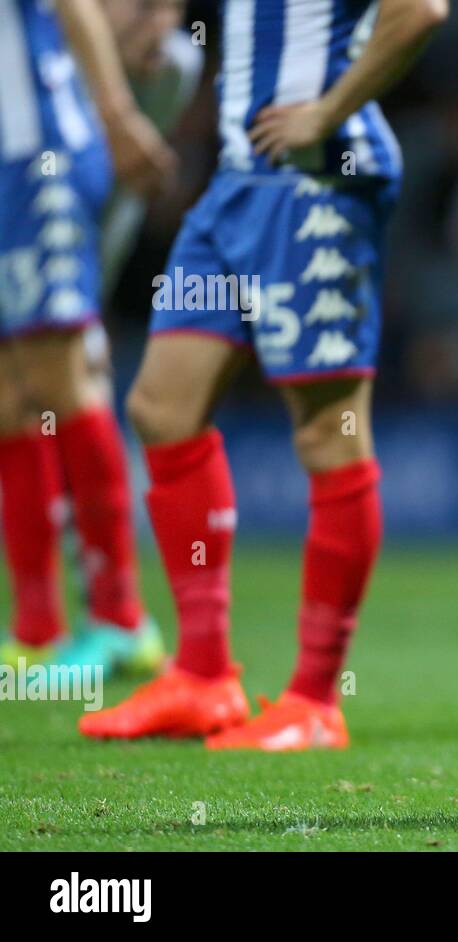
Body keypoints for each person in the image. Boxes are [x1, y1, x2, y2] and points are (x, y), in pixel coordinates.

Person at [79, 0, 451, 750]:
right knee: (161, 407)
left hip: (320, 180)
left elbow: (422, 11)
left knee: (328, 429)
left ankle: (315, 698)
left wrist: (327, 112)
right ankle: (203, 676)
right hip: (236, 183)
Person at [0, 0, 176, 679]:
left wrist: (116, 112)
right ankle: (38, 628)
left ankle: (120, 619)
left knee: (63, 380)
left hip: (38, 155)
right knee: (12, 399)